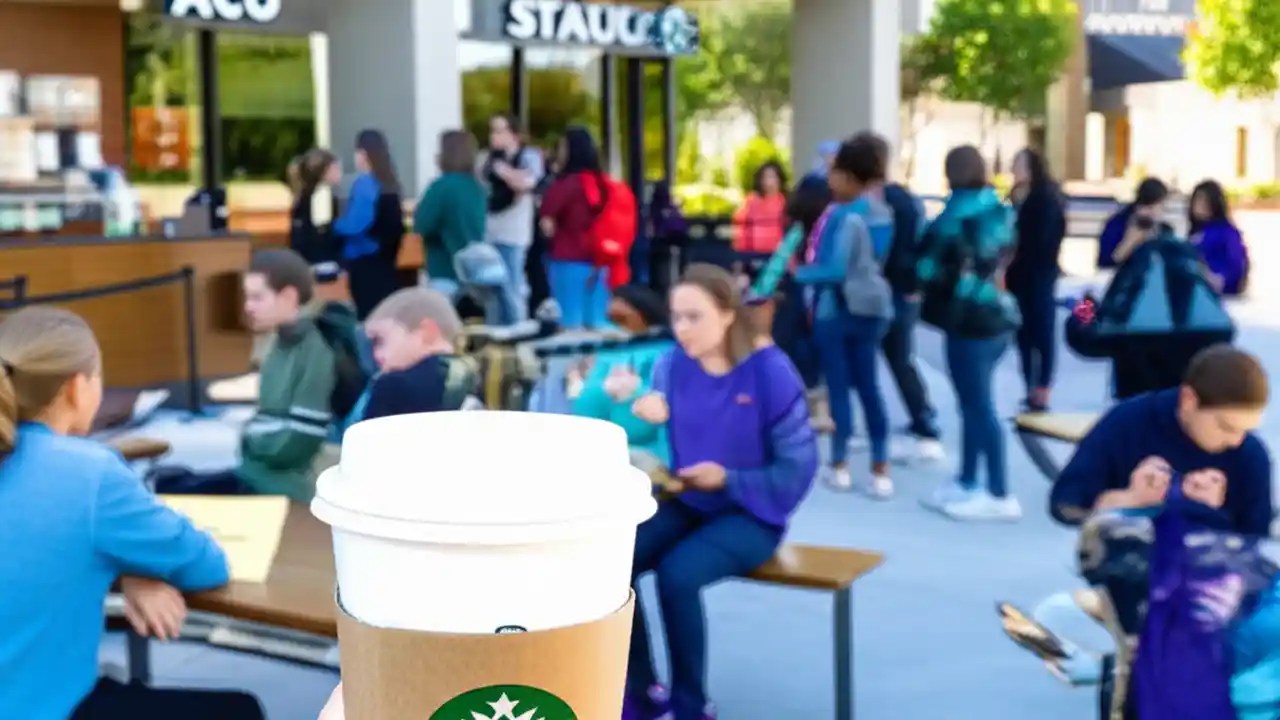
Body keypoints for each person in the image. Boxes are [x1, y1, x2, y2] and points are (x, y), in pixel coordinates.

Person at [0, 307, 260, 719]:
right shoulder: (88, 474)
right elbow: (206, 565)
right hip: (46, 708)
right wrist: (136, 561)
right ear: (76, 387)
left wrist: (126, 566)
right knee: (242, 711)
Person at [625, 264, 818, 720]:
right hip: (691, 498)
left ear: (728, 314)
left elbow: (798, 468)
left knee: (678, 575)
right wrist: (640, 408)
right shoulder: (672, 364)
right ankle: (641, 689)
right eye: (676, 317)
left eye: (695, 317)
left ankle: (692, 705)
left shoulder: (770, 372)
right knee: (614, 562)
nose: (682, 328)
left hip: (753, 513)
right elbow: (654, 422)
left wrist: (730, 478)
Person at [156, 250, 336, 502]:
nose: (247, 307)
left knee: (176, 494)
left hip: (280, 486)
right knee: (166, 481)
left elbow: (301, 437)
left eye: (257, 297)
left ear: (288, 296)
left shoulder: (314, 350)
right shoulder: (280, 341)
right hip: (258, 474)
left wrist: (251, 438)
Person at [1050, 345, 1272, 536]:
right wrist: (1131, 500)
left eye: (1246, 430)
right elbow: (1065, 505)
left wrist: (1209, 514)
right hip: (1128, 573)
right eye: (1225, 427)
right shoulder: (1129, 423)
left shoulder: (1249, 454)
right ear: (1189, 401)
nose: (1235, 441)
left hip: (1214, 580)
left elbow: (1255, 545)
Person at [917, 145, 1022, 522]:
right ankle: (968, 480)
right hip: (1001, 315)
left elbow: (923, 270)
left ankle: (998, 491)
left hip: (967, 321)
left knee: (977, 406)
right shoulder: (1001, 211)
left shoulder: (950, 219)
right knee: (974, 403)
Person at [794, 135, 895, 497]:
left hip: (834, 309)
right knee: (869, 385)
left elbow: (832, 269)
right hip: (871, 309)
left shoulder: (839, 214)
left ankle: (839, 465)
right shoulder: (884, 213)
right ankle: (881, 468)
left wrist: (799, 273)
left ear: (849, 176)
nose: (829, 179)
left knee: (839, 389)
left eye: (834, 173)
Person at [857, 131, 945, 460]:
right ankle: (921, 414)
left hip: (886, 290)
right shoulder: (903, 200)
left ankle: (905, 417)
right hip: (899, 290)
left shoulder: (877, 203)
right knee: (898, 357)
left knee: (872, 356)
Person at [350, 287, 475, 423]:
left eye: (380, 340)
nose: (376, 354)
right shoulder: (479, 377)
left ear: (427, 332)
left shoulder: (393, 386)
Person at [1006, 148, 1067, 412]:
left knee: (1041, 329)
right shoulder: (1017, 198)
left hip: (1039, 272)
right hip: (1019, 275)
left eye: (1019, 164)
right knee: (1023, 333)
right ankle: (1030, 384)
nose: (1014, 169)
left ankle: (1042, 386)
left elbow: (1043, 240)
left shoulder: (1045, 199)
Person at [539, 126, 612, 330]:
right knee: (598, 323)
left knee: (570, 324)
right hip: (600, 262)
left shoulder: (564, 185)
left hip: (568, 260)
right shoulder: (603, 184)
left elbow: (547, 226)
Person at [333, 129, 407, 320]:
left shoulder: (366, 183)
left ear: (363, 154)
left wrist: (333, 226)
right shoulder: (390, 183)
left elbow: (356, 225)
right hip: (387, 261)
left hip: (365, 260)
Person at [484, 113, 545, 325]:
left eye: (500, 131)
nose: (494, 136)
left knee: (512, 284)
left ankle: (517, 328)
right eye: (492, 131)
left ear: (514, 134)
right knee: (492, 288)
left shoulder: (528, 156)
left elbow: (527, 182)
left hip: (514, 232)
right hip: (491, 229)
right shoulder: (487, 158)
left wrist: (505, 172)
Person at [414, 130, 487, 303]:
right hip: (474, 272)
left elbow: (422, 225)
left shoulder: (441, 187)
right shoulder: (477, 188)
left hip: (443, 269)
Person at [1188, 179, 1250, 297]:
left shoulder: (1227, 232)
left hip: (1221, 293)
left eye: (1205, 201)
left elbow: (1237, 265)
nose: (1200, 206)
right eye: (1197, 200)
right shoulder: (1194, 233)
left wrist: (1216, 279)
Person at [1098, 177, 1171, 269]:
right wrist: (1129, 242)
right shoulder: (1116, 225)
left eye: (1159, 208)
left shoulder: (1164, 229)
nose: (1153, 213)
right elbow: (1104, 264)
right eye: (1149, 207)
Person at [287, 148, 340, 266]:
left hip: (304, 259)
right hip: (321, 262)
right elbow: (322, 232)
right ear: (323, 172)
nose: (339, 173)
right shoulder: (323, 193)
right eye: (335, 169)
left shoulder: (303, 194)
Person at [733, 161, 789, 254]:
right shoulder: (751, 201)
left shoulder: (785, 202)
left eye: (772, 177)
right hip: (752, 255)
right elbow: (740, 229)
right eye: (765, 177)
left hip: (778, 256)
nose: (768, 182)